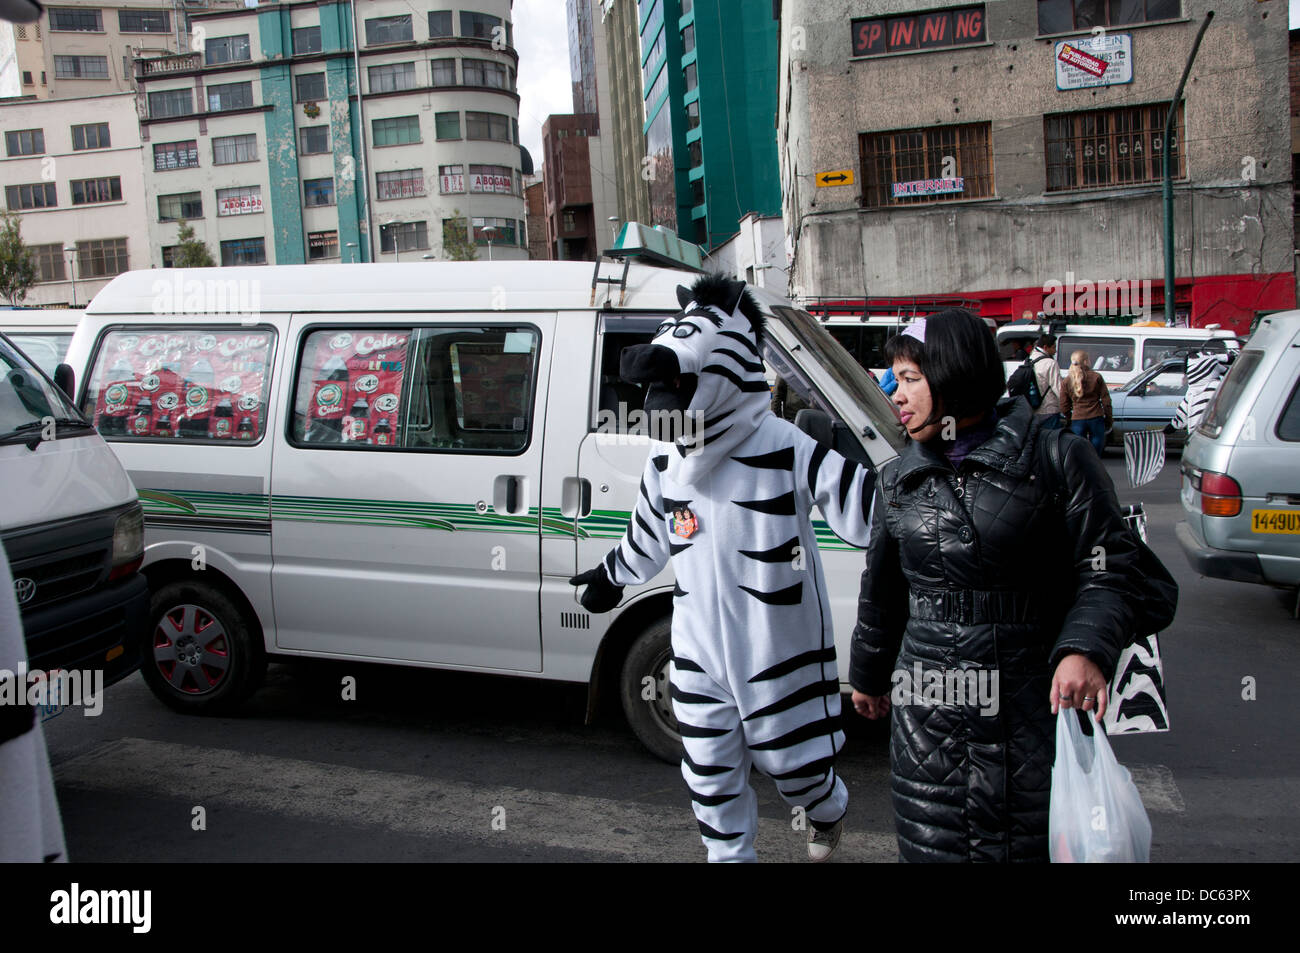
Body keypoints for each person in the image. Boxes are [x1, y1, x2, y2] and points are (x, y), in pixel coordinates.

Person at [570, 274, 876, 863]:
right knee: (709, 776)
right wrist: (611, 577)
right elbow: (649, 536)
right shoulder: (665, 463)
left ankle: (827, 805)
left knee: (796, 767)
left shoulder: (786, 446)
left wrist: (931, 515)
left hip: (775, 647)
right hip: (698, 648)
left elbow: (867, 513)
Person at [848, 308, 1139, 862]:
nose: (897, 395)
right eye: (897, 380)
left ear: (955, 374)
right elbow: (881, 592)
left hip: (1029, 713)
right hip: (927, 723)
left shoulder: (1057, 459)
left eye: (911, 379)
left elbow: (1108, 568)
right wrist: (868, 675)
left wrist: (1084, 648)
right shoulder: (897, 478)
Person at [1060, 350, 1111, 454]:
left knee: (1079, 450)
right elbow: (1106, 401)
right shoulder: (1096, 377)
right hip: (1096, 416)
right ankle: (1094, 465)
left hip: (1077, 418)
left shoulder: (1067, 381)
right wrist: (1109, 418)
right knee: (1096, 448)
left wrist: (1069, 418)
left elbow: (1064, 405)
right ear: (1086, 361)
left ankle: (1082, 468)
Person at [1029, 333, 1062, 429]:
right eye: (1054, 347)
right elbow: (1058, 388)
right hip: (1049, 409)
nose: (1055, 351)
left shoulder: (1029, 360)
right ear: (1045, 347)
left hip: (1033, 409)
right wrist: (1067, 406)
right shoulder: (1050, 363)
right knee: (1051, 440)